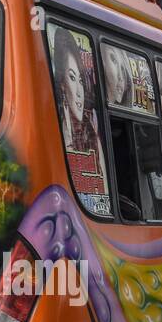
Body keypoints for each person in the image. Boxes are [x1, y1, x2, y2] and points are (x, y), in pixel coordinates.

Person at [51, 29, 108, 210]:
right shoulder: (52, 130)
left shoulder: (92, 134)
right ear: (61, 84)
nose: (78, 92)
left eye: (81, 82)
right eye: (72, 78)